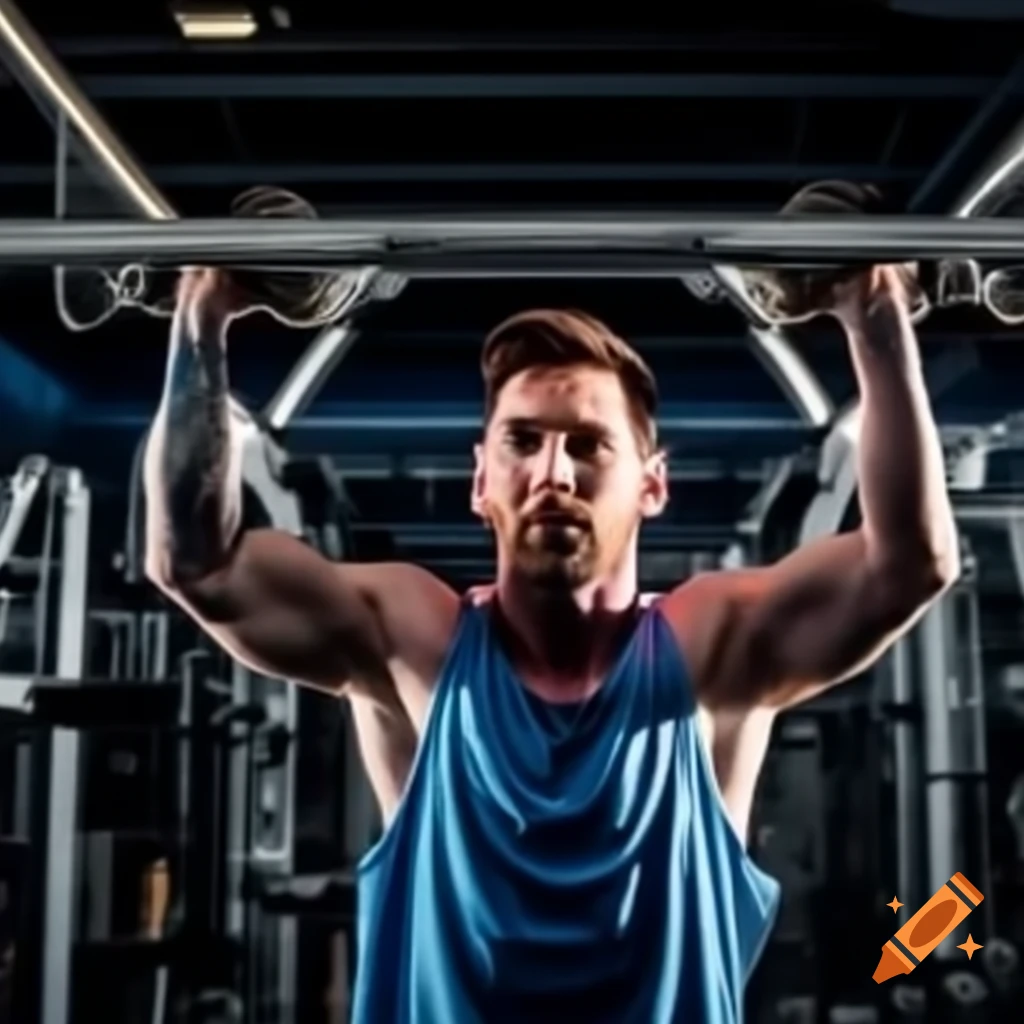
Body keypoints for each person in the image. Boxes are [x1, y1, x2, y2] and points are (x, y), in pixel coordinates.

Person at [143, 193, 959, 1023]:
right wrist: (204, 313)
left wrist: (876, 312)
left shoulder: (711, 647)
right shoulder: (413, 639)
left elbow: (911, 563)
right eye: (523, 441)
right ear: (480, 481)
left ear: (653, 484)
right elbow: (196, 563)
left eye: (589, 445)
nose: (554, 475)